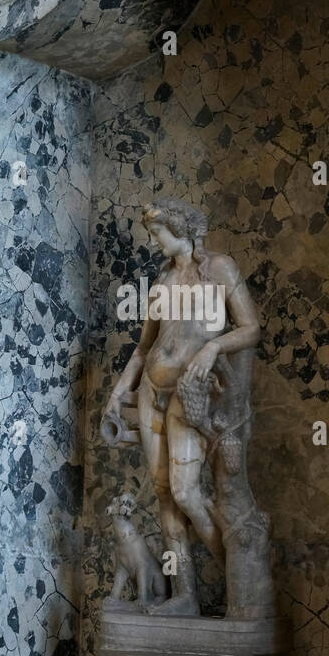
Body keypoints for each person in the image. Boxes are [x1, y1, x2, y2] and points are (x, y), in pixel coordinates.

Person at [104, 199, 264, 615]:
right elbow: (144, 348)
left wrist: (213, 346)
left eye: (158, 234)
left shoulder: (220, 270)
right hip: (150, 393)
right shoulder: (161, 283)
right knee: (163, 495)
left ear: (182, 230)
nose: (154, 241)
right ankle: (184, 596)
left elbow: (251, 328)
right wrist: (118, 391)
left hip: (190, 394)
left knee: (185, 492)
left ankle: (239, 580)